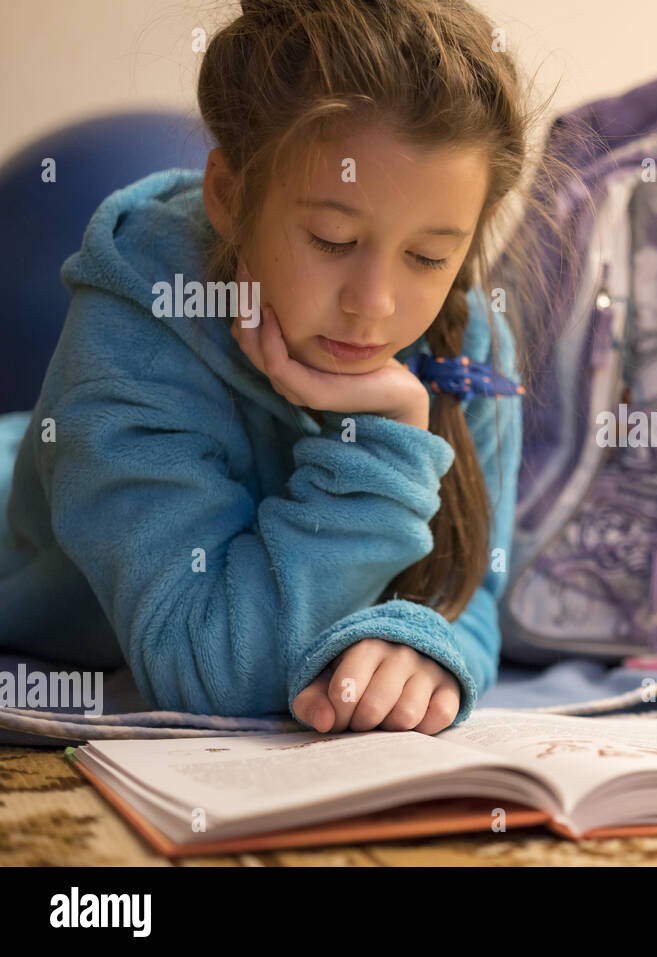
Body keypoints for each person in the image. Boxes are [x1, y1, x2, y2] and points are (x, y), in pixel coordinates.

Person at [0, 0, 586, 735]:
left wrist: (421, 647)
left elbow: (469, 595)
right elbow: (209, 671)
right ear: (229, 196)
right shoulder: (136, 332)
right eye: (333, 239)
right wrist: (383, 448)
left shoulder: (470, 341)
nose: (373, 306)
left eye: (429, 256)